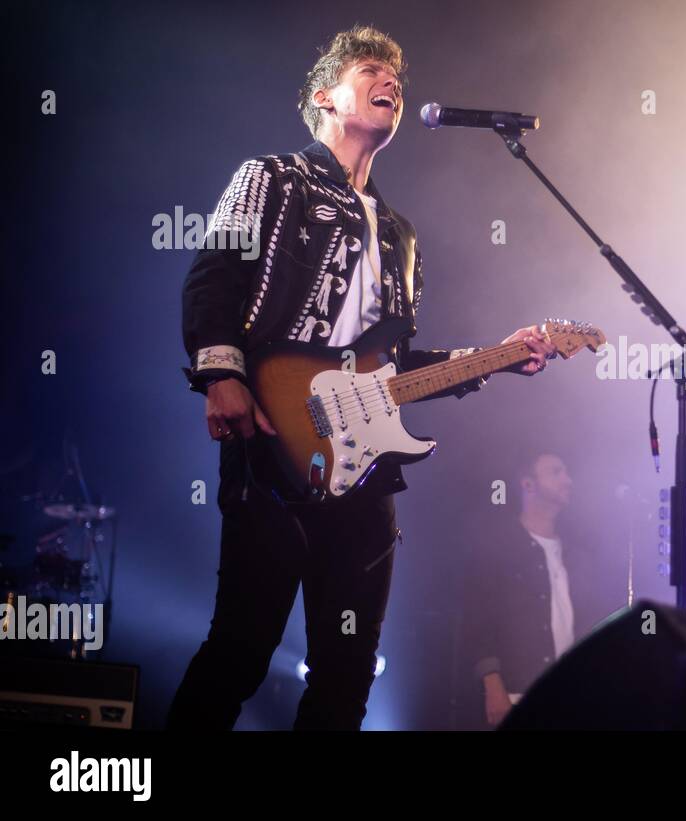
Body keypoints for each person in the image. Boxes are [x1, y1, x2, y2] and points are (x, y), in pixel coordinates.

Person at [168, 25, 556, 730]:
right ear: (325, 95)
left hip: (366, 480)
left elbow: (395, 368)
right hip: (275, 447)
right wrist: (221, 373)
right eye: (373, 70)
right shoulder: (272, 179)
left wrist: (495, 357)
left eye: (399, 80)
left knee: (347, 676)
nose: (393, 85)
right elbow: (214, 277)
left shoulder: (400, 236)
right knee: (240, 652)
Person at [459, 452, 622, 728]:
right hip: (517, 694)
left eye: (567, 473)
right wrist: (493, 686)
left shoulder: (576, 554)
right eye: (556, 472)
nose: (567, 480)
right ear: (528, 485)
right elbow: (477, 622)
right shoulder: (500, 547)